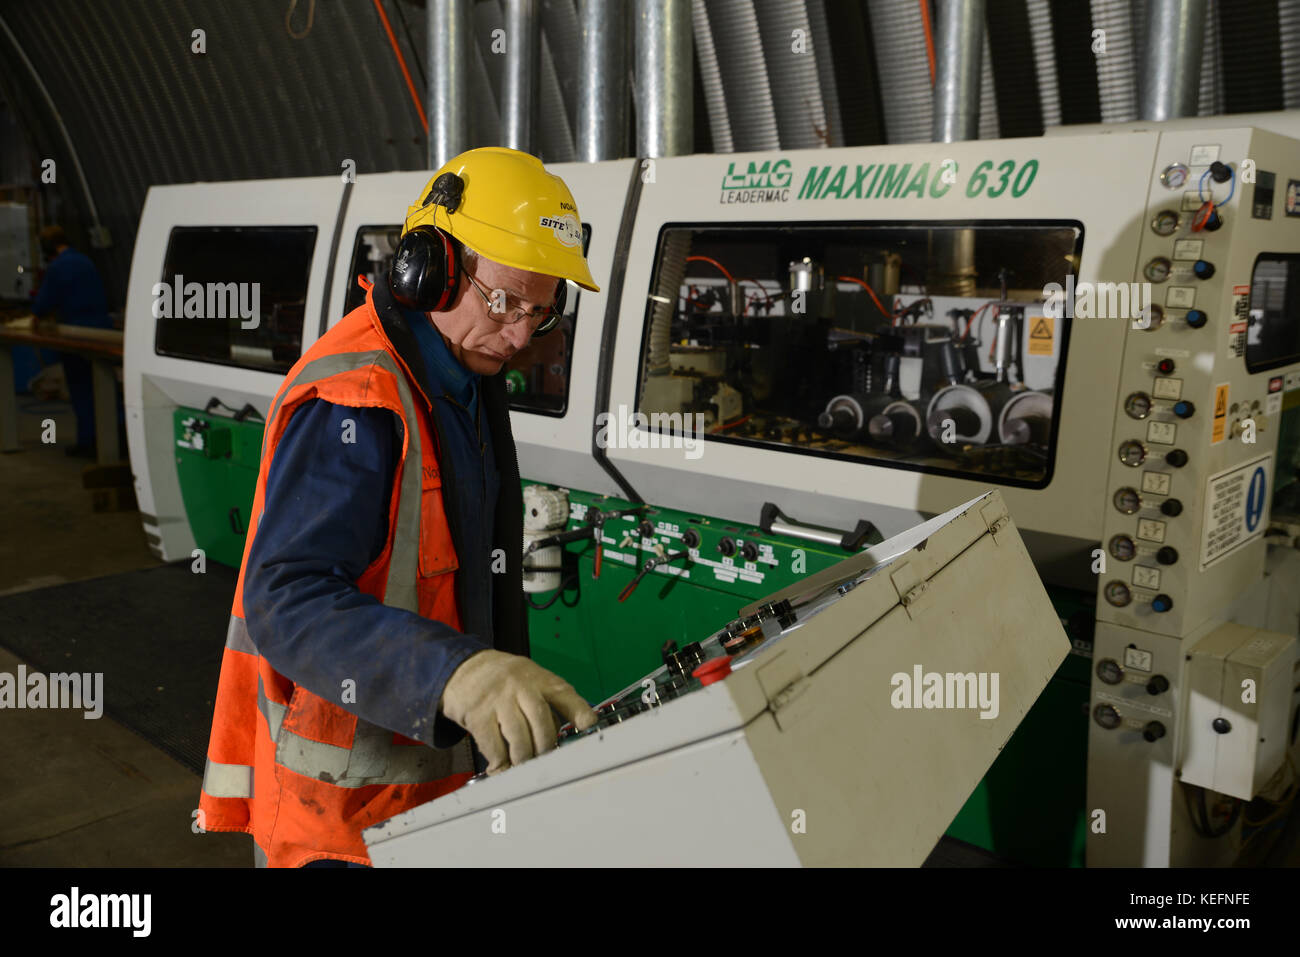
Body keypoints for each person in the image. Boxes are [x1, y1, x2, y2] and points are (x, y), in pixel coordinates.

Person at [198, 147, 600, 868]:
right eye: (506, 301)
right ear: (431, 268)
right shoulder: (358, 396)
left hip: (427, 803)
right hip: (342, 822)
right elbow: (286, 598)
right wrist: (459, 674)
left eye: (540, 312)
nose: (517, 336)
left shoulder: (465, 378)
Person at [29, 225, 113, 456]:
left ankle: (89, 441)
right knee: (105, 385)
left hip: (76, 333)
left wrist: (34, 315)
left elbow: (44, 303)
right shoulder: (86, 261)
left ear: (48, 249)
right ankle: (118, 437)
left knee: (81, 387)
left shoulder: (57, 267)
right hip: (101, 331)